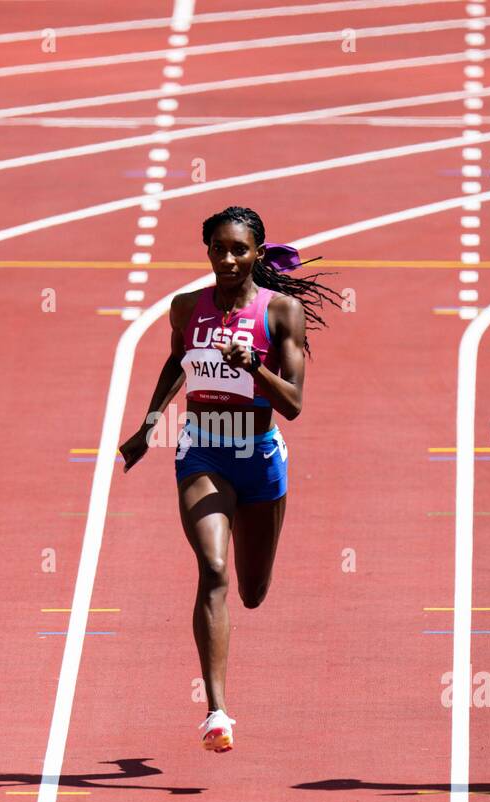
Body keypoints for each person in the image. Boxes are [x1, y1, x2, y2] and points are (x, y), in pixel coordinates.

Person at [119, 205, 339, 752]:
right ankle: (216, 712)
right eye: (218, 248)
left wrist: (253, 368)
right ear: (208, 252)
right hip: (202, 451)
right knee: (212, 568)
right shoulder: (186, 308)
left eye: (239, 249)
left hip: (259, 452)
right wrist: (148, 429)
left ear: (256, 254)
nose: (228, 258)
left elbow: (293, 404)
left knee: (252, 590)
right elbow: (176, 364)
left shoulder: (282, 313)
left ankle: (249, 589)